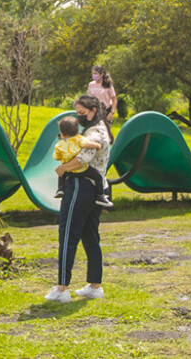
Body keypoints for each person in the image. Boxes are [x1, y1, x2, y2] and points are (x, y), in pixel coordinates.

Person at [45, 95, 110, 303]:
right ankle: (95, 285)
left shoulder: (95, 132)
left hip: (81, 187)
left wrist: (63, 168)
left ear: (93, 111)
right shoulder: (100, 128)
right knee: (90, 236)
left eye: (82, 113)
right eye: (77, 113)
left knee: (68, 234)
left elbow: (83, 158)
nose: (79, 117)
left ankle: (62, 288)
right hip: (96, 189)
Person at [53, 115, 113, 208]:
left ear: (62, 134)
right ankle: (100, 195)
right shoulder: (79, 139)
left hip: (69, 172)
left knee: (61, 172)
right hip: (82, 169)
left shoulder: (59, 144)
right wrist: (97, 146)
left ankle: (60, 188)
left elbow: (56, 157)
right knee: (98, 177)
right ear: (77, 130)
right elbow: (88, 144)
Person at [87, 65, 117, 141]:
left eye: (95, 73)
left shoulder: (108, 85)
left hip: (106, 111)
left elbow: (114, 100)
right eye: (92, 73)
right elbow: (88, 98)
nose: (93, 75)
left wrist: (112, 112)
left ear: (101, 74)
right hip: (94, 111)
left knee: (106, 134)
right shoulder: (91, 85)